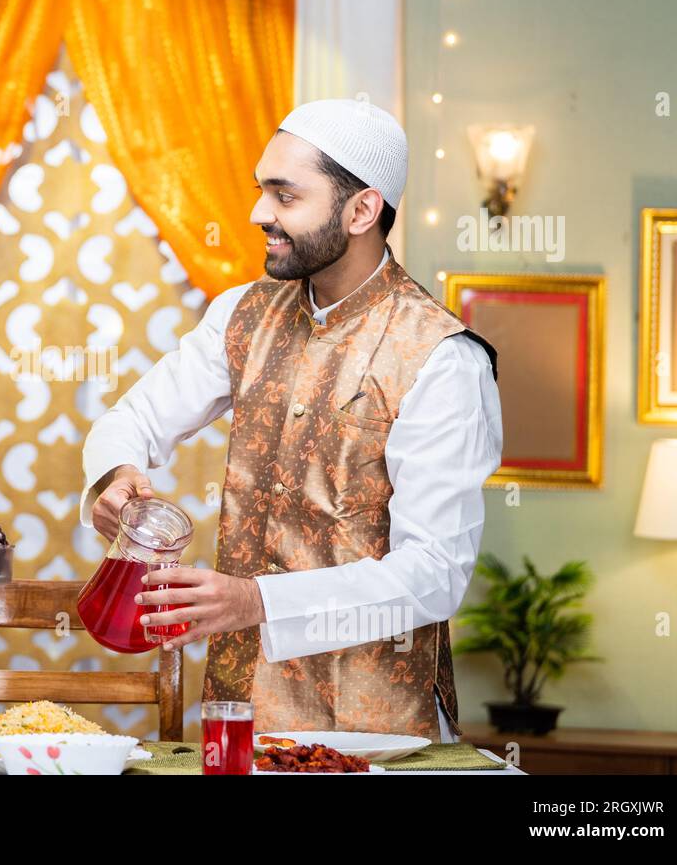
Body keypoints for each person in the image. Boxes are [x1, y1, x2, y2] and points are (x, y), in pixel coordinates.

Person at [80, 100, 502, 741]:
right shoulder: (242, 313)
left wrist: (256, 601)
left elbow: (435, 575)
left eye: (285, 195)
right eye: (261, 191)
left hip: (372, 729)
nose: (258, 214)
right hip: (237, 710)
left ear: (362, 210)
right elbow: (132, 417)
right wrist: (115, 474)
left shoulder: (443, 359)